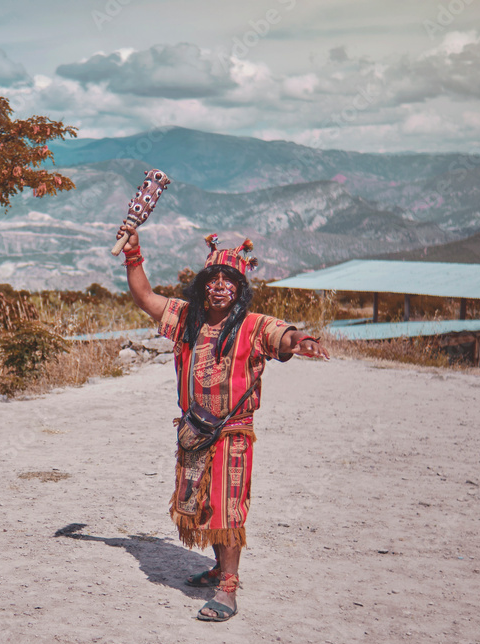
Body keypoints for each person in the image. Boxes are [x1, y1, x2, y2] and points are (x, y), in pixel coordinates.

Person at [118, 223, 329, 622]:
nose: (218, 286)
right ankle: (218, 567)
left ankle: (228, 587)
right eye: (212, 279)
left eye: (228, 280)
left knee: (227, 508)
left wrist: (302, 341)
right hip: (194, 431)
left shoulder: (253, 325)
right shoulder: (185, 319)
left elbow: (284, 335)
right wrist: (133, 254)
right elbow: (145, 296)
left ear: (240, 288)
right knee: (200, 504)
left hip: (233, 432)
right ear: (201, 286)